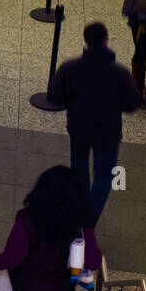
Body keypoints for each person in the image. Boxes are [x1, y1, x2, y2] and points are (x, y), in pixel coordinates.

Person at [46, 22, 141, 223]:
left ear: (86, 41)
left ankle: (78, 210)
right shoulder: (121, 74)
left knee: (79, 169)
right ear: (106, 40)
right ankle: (88, 220)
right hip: (108, 133)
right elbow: (132, 104)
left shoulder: (70, 68)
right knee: (104, 178)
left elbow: (54, 96)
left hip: (79, 129)